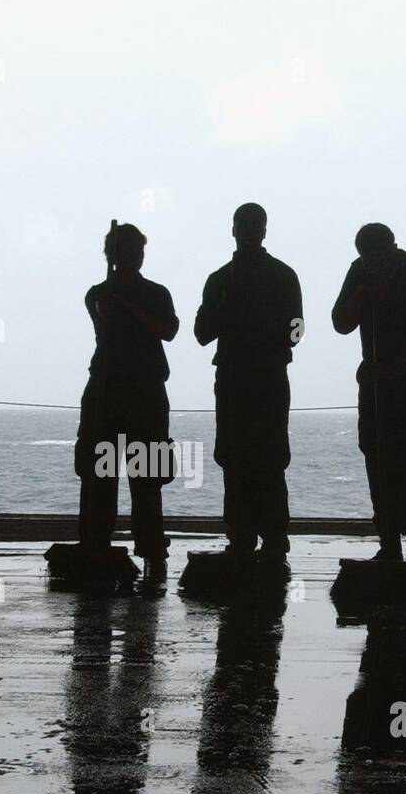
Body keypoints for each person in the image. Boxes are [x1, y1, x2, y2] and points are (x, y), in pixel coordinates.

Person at [194, 203, 303, 565]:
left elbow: (296, 330)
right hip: (242, 376)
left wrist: (264, 336)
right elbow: (201, 333)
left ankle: (267, 534)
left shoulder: (265, 277)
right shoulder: (224, 280)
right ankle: (247, 533)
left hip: (261, 375)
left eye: (253, 225)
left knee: (265, 454)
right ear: (236, 230)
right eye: (245, 225)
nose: (249, 232)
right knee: (237, 455)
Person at [332, 223, 406, 564]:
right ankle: (390, 541)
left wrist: (393, 371)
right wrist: (363, 292)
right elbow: (340, 322)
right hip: (378, 384)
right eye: (367, 261)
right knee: (377, 457)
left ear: (394, 249)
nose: (373, 266)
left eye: (379, 260)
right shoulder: (359, 272)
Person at [74, 222, 178, 580]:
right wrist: (109, 308)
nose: (134, 257)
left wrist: (129, 308)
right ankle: (95, 544)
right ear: (113, 256)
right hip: (107, 390)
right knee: (100, 474)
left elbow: (169, 330)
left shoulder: (156, 293)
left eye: (138, 251)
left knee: (147, 476)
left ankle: (151, 550)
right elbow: (102, 323)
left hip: (146, 392)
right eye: (127, 251)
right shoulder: (97, 295)